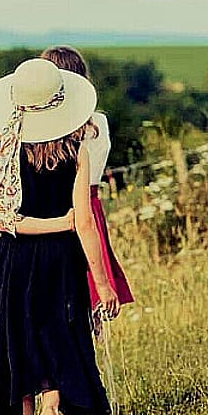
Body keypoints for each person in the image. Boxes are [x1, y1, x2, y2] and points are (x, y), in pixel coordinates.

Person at [0, 58, 119, 415]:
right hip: (62, 259)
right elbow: (85, 222)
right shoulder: (77, 155)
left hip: (15, 263)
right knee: (57, 339)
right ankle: (52, 413)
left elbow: (4, 219)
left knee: (16, 354)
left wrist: (48, 224)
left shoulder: (0, 157)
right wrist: (103, 283)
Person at [39, 45, 135, 317]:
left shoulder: (48, 132)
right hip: (91, 206)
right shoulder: (99, 123)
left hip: (57, 207)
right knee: (90, 283)